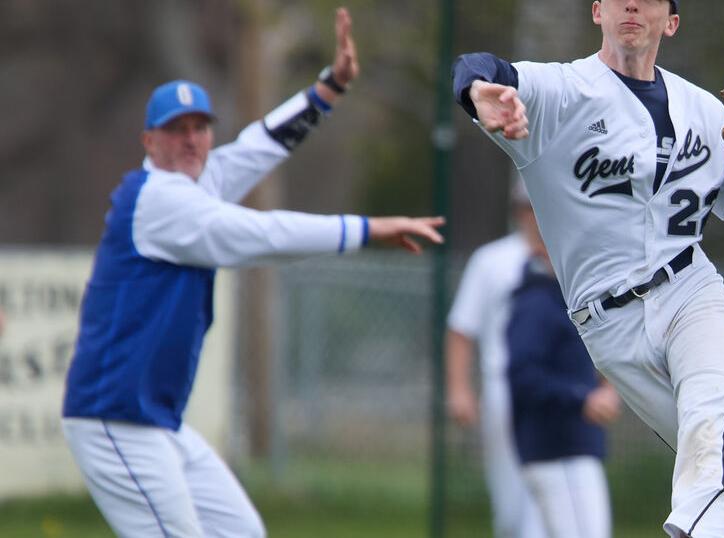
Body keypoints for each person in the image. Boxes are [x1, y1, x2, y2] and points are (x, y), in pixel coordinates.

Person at [451, 0, 724, 536]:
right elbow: (477, 65)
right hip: (609, 325)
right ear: (597, 11)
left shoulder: (708, 112)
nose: (633, 5)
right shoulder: (559, 93)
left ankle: (693, 529)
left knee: (707, 424)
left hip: (693, 293)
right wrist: (478, 93)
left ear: (671, 22)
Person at [61, 8, 444, 537]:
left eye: (200, 127)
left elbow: (260, 144)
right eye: (176, 130)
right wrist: (364, 230)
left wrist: (328, 89)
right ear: (149, 141)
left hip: (154, 422)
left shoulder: (195, 182)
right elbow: (262, 235)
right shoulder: (160, 200)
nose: (192, 139)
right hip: (114, 420)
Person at [446, 181, 548, 538]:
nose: (536, 215)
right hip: (505, 387)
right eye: (530, 206)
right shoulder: (492, 261)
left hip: (560, 393)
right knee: (510, 502)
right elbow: (462, 328)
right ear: (518, 211)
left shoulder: (572, 259)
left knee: (551, 496)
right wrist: (459, 389)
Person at [507, 245, 621, 538]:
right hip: (558, 449)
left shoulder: (565, 299)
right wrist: (580, 397)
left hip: (568, 448)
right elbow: (522, 375)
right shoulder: (537, 302)